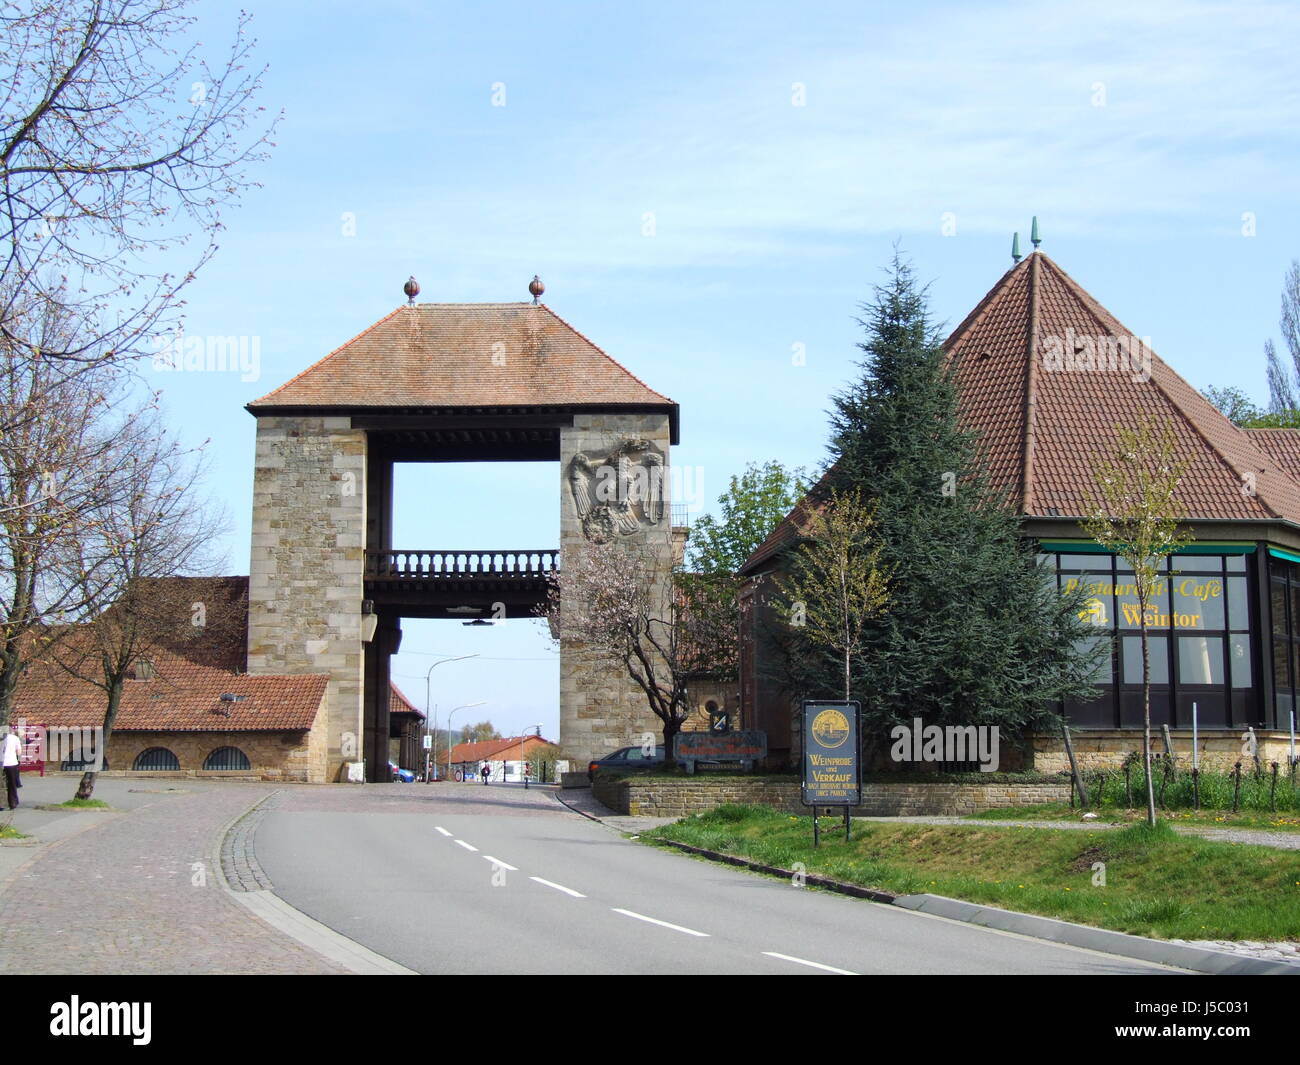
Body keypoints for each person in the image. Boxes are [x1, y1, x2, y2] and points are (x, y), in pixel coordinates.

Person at [1, 727, 21, 811]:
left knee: (1, 784)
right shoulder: (15, 738)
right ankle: (12, 802)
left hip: (1, 762)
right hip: (11, 763)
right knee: (11, 784)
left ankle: (1, 804)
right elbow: (18, 752)